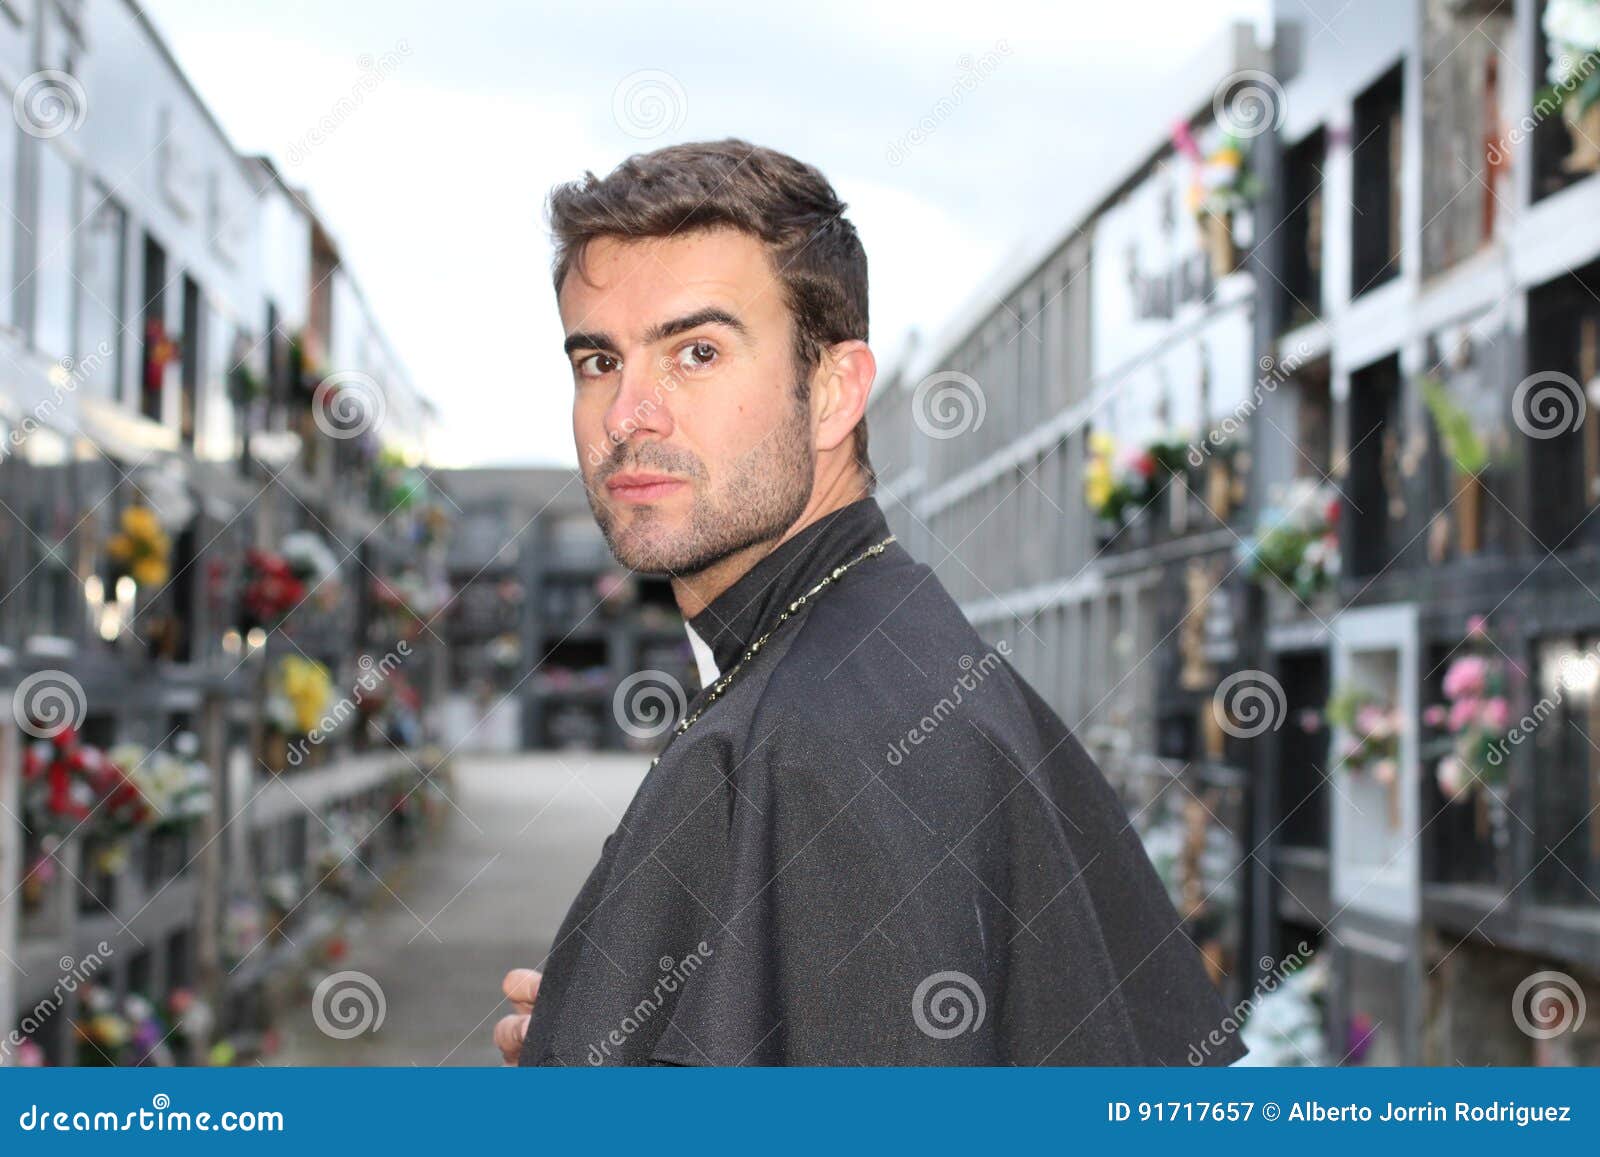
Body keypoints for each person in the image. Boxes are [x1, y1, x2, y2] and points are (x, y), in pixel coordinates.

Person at [496, 139, 1246, 1066]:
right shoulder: (884, 644)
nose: (627, 415)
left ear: (835, 392)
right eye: (598, 361)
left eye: (696, 352)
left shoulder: (811, 742)